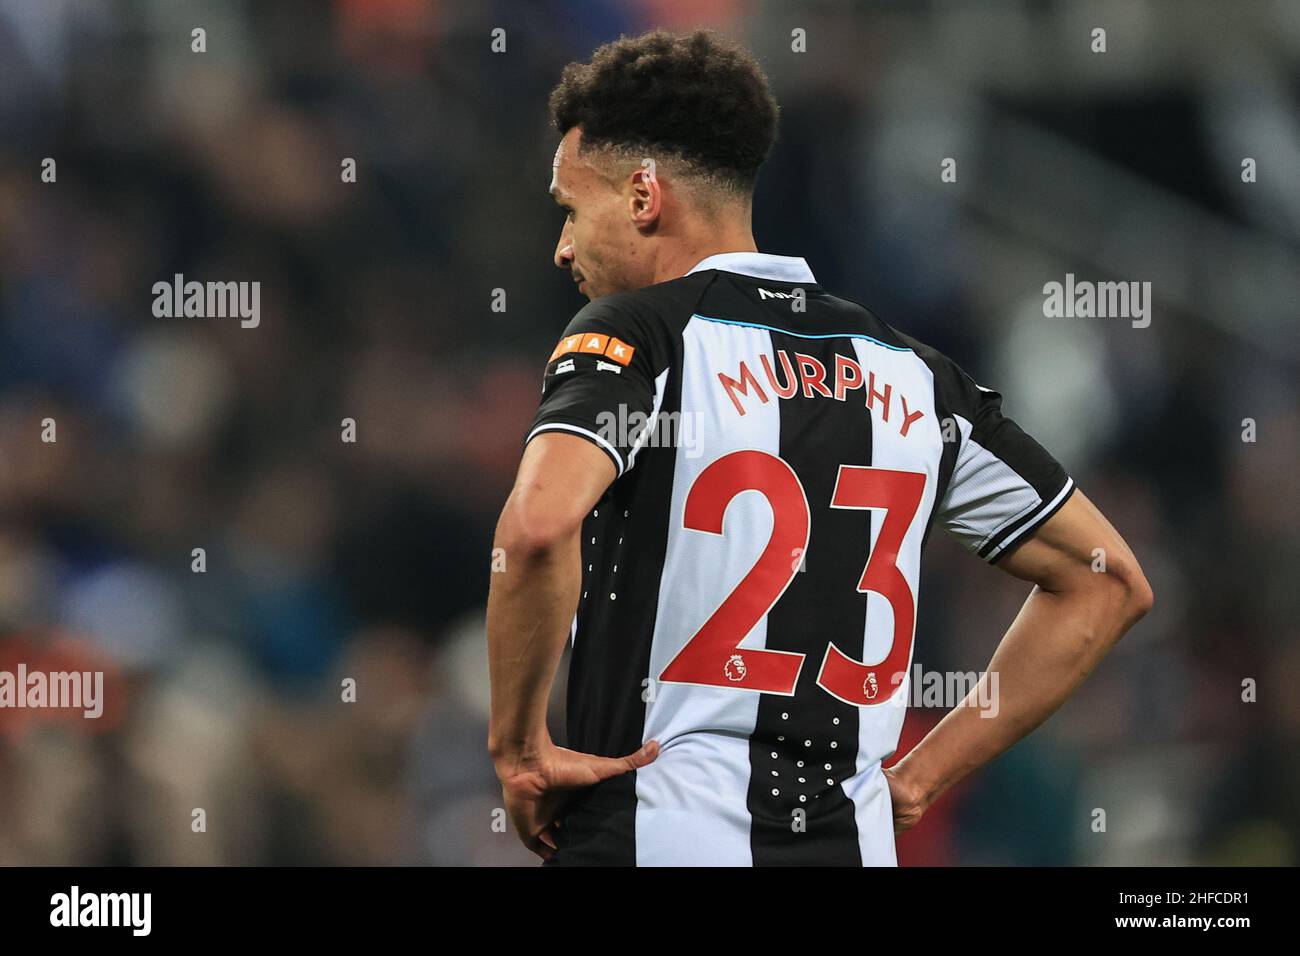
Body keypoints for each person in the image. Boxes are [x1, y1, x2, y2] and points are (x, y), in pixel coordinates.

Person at [486, 29, 1153, 866]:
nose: (562, 246)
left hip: (657, 832)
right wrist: (920, 778)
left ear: (644, 195)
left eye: (571, 208)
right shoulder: (911, 372)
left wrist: (518, 751)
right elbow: (1108, 582)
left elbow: (538, 527)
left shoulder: (638, 336)